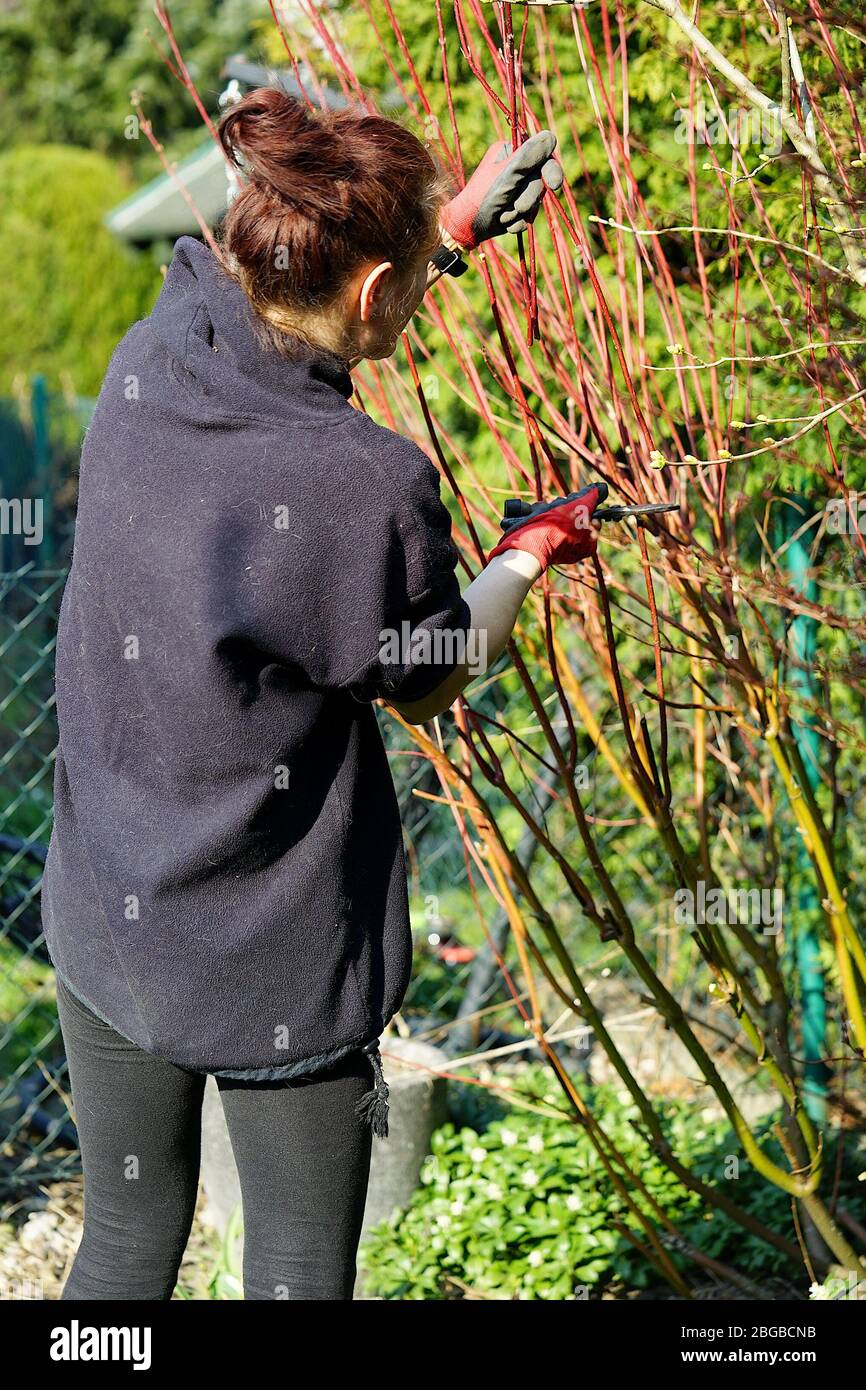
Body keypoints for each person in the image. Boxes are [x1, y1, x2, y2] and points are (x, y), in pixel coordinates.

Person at [41, 87, 606, 1301]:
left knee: (125, 1245)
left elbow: (278, 342)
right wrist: (522, 558)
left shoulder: (160, 352)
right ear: (366, 290)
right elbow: (431, 677)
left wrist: (437, 242)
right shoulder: (363, 483)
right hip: (273, 958)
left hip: (109, 912)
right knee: (296, 1267)